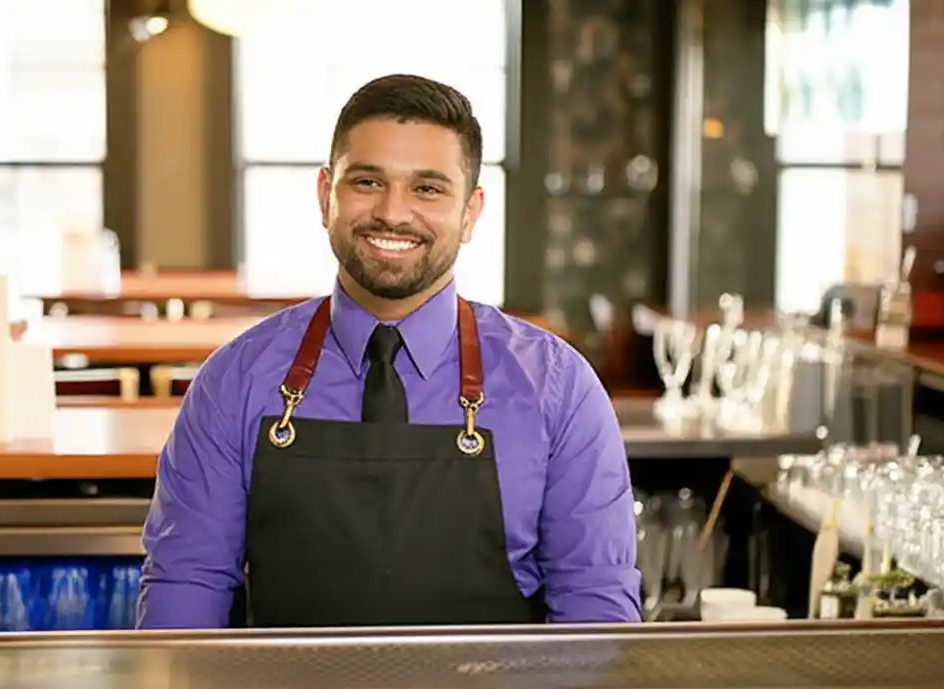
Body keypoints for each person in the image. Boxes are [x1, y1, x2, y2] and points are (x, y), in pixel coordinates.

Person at [137, 73, 641, 629]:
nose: (393, 213)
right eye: (368, 182)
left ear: (470, 213)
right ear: (325, 194)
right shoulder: (235, 379)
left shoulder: (558, 386)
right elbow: (185, 591)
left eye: (427, 188)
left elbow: (595, 608)